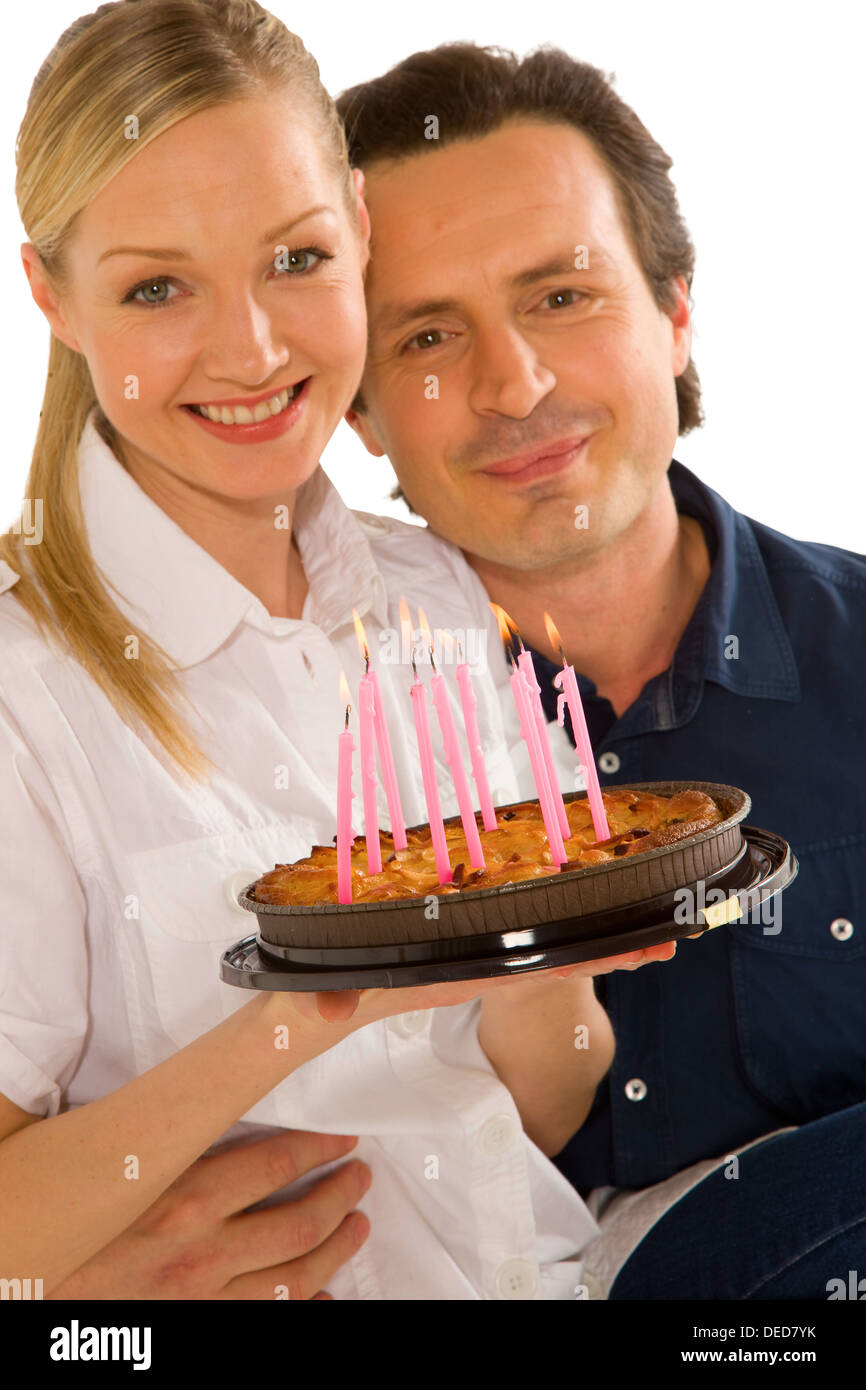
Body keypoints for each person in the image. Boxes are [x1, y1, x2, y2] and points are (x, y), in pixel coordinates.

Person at [0, 4, 677, 1303]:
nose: (252, 350)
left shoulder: (429, 590)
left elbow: (521, 1122)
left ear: (358, 234)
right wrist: (305, 1006)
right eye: (157, 285)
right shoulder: (25, 684)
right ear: (52, 296)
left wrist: (551, 965)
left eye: (296, 259)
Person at [336, 42, 866, 1298]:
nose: (511, 384)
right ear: (357, 411)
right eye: (423, 333)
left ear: (676, 313)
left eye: (560, 297)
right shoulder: (304, 734)